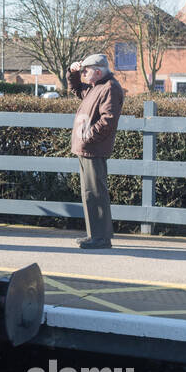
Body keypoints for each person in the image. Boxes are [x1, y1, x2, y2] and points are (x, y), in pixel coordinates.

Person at [67, 53, 124, 249]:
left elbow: (108, 120)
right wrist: (73, 73)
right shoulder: (96, 87)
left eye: (86, 71)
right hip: (87, 147)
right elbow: (75, 89)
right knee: (89, 193)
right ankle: (95, 236)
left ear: (98, 72)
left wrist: (88, 136)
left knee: (95, 193)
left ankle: (100, 238)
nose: (83, 74)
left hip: (93, 148)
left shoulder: (109, 88)